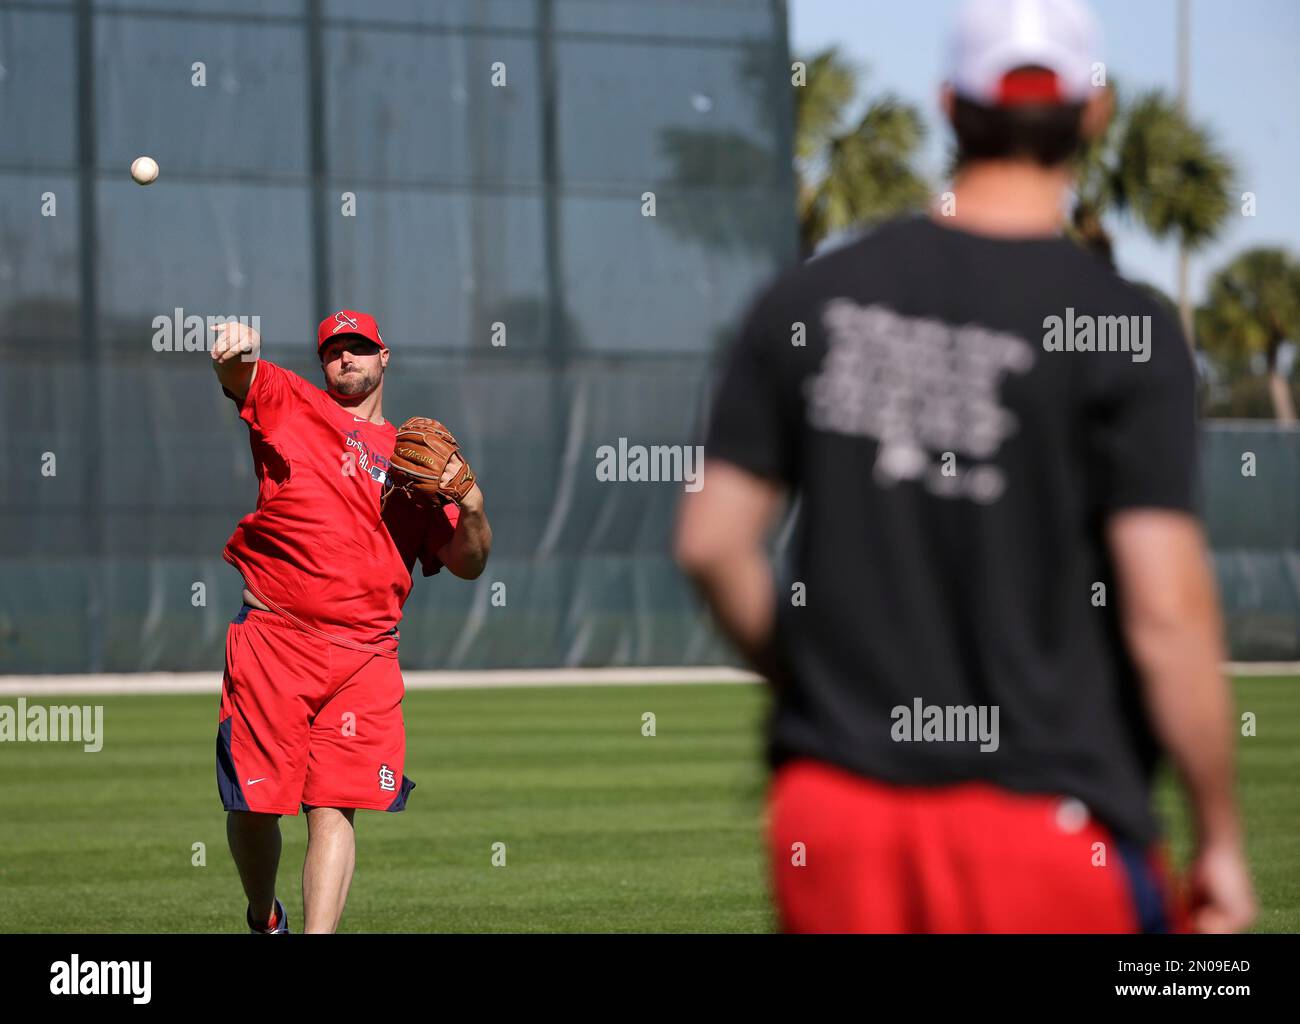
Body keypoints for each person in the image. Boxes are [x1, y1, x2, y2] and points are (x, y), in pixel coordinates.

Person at [675, 0, 1254, 933]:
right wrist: (1219, 833)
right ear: (1093, 112)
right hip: (1048, 826)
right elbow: (1166, 608)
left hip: (836, 820)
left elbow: (710, 542)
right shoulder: (1126, 327)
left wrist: (814, 685)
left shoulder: (814, 296)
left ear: (948, 105)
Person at [210, 309, 492, 933]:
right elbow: (237, 373)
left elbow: (468, 564)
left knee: (335, 806)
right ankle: (264, 916)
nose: (347, 358)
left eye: (360, 347)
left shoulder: (416, 460)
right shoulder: (291, 401)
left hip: (365, 656)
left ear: (383, 357)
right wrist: (237, 349)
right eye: (335, 349)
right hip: (276, 639)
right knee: (255, 805)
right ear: (322, 362)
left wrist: (470, 505)